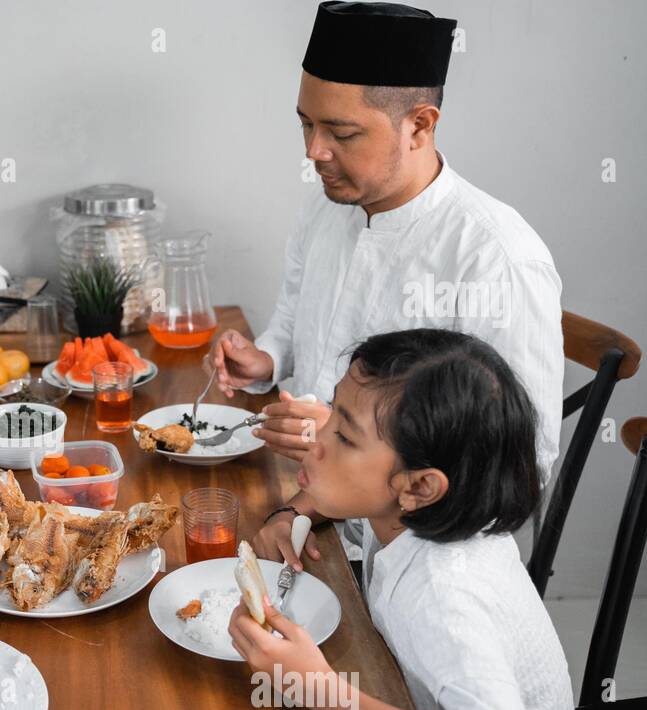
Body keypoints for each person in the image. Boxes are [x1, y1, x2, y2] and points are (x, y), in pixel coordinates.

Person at [231, 329, 574, 710]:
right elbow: (360, 487)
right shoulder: (415, 514)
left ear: (419, 487)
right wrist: (297, 510)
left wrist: (318, 689)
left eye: (344, 436)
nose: (314, 439)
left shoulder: (445, 593)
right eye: (331, 414)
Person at [212, 2, 563, 490]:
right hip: (303, 495)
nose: (313, 150)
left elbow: (523, 462)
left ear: (419, 125)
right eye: (306, 124)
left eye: (342, 132)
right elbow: (297, 313)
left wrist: (340, 437)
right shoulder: (326, 207)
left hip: (401, 547)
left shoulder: (493, 258)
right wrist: (267, 358)